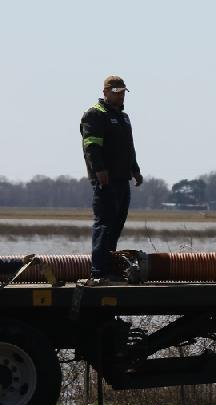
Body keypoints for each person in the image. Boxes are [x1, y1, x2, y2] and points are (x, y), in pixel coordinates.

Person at [80, 75, 142, 283]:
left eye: (123, 92)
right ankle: (99, 272)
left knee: (116, 224)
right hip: (105, 180)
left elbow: (128, 148)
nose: (120, 95)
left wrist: (135, 170)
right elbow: (91, 146)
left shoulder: (123, 117)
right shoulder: (95, 115)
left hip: (122, 179)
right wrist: (99, 169)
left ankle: (110, 267)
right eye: (116, 92)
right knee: (104, 224)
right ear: (105, 92)